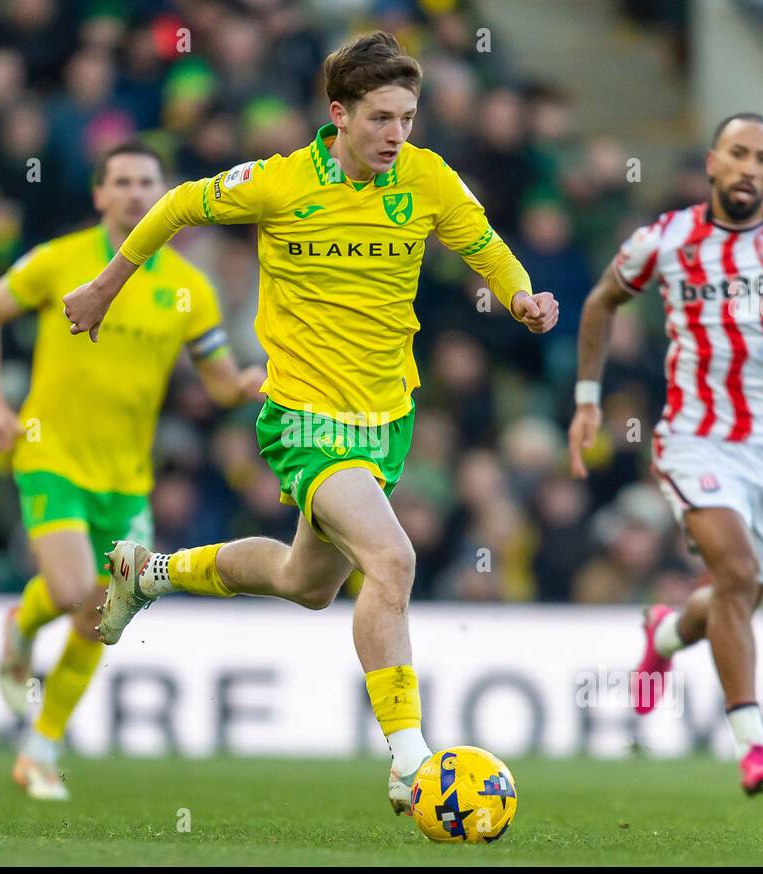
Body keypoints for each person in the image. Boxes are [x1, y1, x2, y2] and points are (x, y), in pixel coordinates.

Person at [62, 32, 559, 815]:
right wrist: (106, 284)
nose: (398, 134)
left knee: (306, 584)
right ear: (339, 114)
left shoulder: (427, 180)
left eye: (408, 116)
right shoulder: (280, 182)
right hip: (303, 417)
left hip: (384, 419)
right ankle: (409, 763)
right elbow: (176, 204)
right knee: (391, 561)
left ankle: (148, 573)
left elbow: (488, 248)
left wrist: (523, 295)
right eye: (382, 118)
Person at [568, 113, 763, 795]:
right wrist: (589, 398)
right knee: (737, 570)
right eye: (737, 154)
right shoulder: (669, 238)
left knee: (738, 595)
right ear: (714, 162)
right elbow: (600, 302)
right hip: (695, 436)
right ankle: (754, 745)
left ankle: (664, 635)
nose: (749, 168)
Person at [0, 142, 264, 799]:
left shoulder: (191, 289)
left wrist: (241, 385)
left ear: (165, 198)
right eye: (122, 182)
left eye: (147, 183)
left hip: (128, 475)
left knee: (102, 611)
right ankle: (27, 639)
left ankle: (39, 745)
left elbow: (214, 381)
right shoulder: (61, 260)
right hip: (49, 453)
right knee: (79, 592)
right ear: (99, 195)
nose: (135, 193)